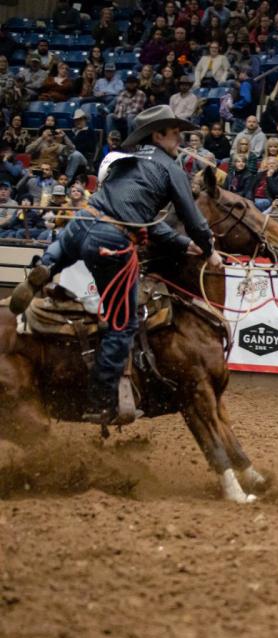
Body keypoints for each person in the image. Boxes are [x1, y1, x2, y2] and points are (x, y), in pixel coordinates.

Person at [10, 106, 218, 425]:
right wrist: (208, 249)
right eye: (175, 132)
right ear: (158, 134)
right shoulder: (171, 168)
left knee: (64, 250)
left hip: (82, 223)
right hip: (112, 243)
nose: (180, 139)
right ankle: (100, 401)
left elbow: (140, 218)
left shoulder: (125, 160)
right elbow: (194, 220)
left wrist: (181, 244)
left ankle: (46, 267)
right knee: (123, 324)